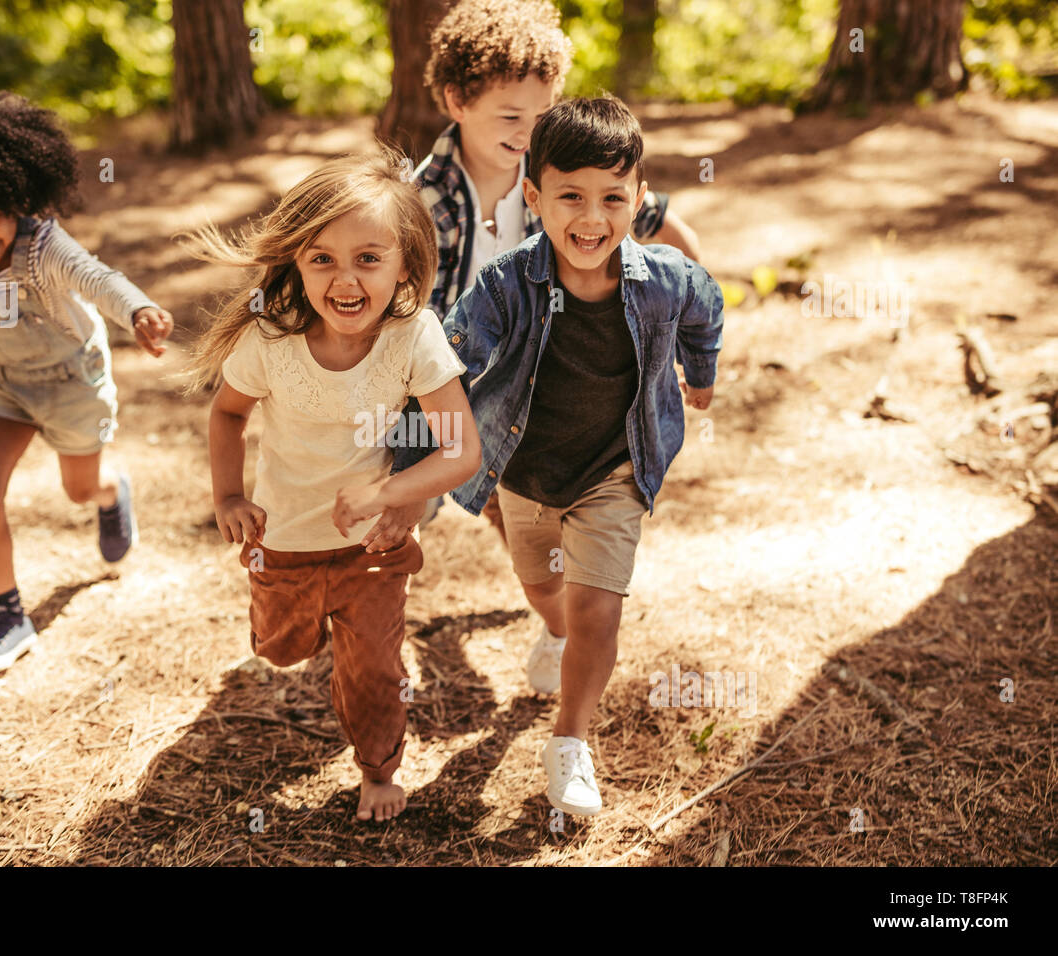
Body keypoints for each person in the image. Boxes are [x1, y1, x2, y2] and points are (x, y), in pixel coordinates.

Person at [440, 96, 724, 815]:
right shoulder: (506, 284)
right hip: (526, 473)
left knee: (599, 610)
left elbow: (707, 306)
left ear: (639, 198)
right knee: (548, 592)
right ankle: (553, 628)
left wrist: (703, 371)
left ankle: (570, 742)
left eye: (612, 199)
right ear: (534, 196)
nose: (591, 220)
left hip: (613, 472)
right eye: (570, 197)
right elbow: (448, 351)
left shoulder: (663, 280)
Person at [183, 149, 481, 822]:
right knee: (280, 650)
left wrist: (393, 496)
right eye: (322, 259)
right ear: (295, 262)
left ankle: (379, 769)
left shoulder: (413, 336)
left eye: (368, 259)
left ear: (405, 264)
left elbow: (463, 451)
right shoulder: (269, 341)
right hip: (282, 539)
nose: (345, 279)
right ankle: (317, 632)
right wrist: (228, 496)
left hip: (371, 549)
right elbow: (227, 412)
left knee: (373, 666)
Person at [0, 89, 173, 677]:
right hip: (0, 384)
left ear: (18, 198)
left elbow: (96, 278)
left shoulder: (43, 245)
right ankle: (9, 616)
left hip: (72, 379)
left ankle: (109, 493)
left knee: (79, 489)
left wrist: (138, 311)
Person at [403, 0, 702, 542]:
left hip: (534, 378)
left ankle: (557, 614)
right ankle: (368, 603)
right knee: (402, 505)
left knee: (530, 513)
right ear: (457, 101)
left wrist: (682, 329)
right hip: (441, 381)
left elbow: (668, 229)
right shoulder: (423, 202)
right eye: (510, 116)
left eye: (540, 117)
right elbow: (401, 311)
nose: (526, 133)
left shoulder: (563, 175)